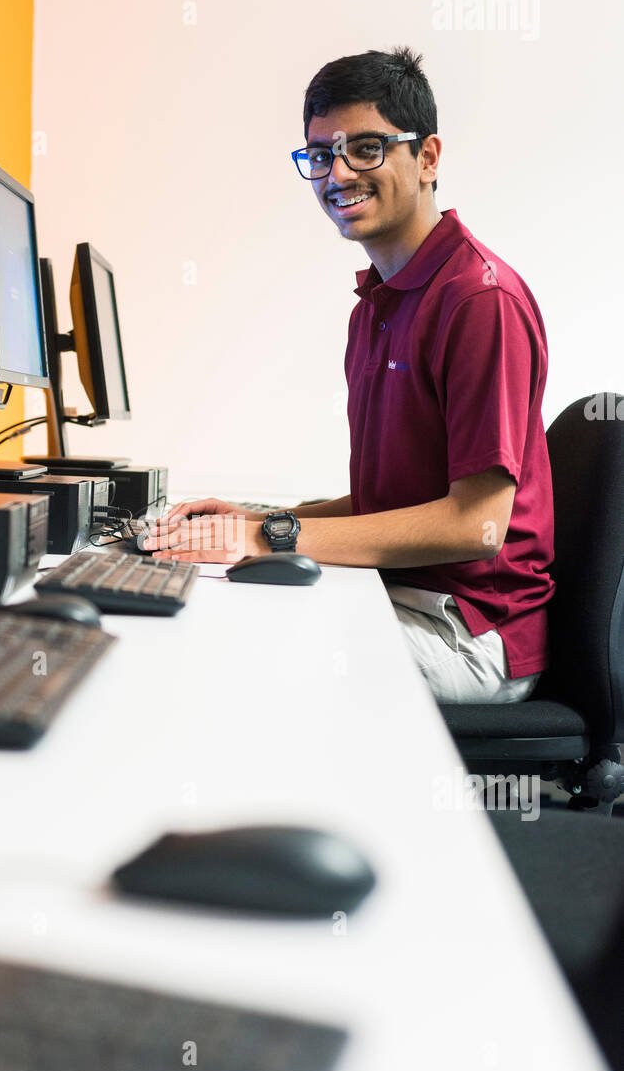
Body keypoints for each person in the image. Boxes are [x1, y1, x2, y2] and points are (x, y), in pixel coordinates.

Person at [143, 46, 554, 704]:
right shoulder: (377, 305)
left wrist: (265, 536)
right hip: (407, 597)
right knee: (225, 613)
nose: (336, 174)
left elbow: (473, 525)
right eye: (318, 155)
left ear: (426, 158)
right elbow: (386, 505)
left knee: (243, 658)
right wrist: (259, 516)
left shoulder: (479, 300)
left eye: (365, 149)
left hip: (470, 633)